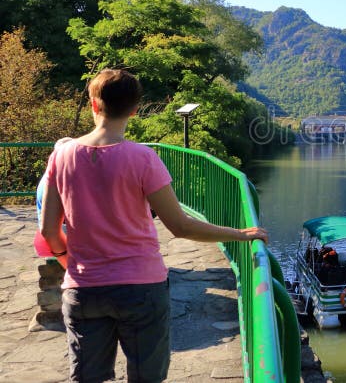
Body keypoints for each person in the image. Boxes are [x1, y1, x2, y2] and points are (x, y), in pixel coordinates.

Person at [41, 69, 268, 383]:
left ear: (94, 104)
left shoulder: (61, 156)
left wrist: (70, 262)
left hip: (84, 290)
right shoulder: (143, 158)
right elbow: (181, 226)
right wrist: (240, 234)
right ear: (135, 109)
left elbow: (48, 232)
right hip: (141, 289)